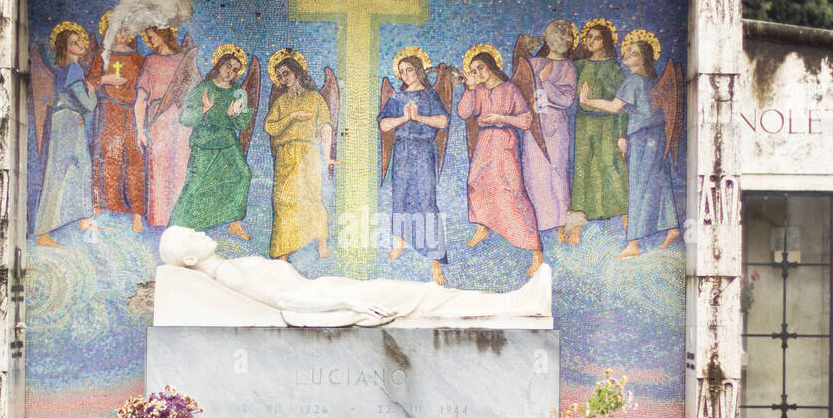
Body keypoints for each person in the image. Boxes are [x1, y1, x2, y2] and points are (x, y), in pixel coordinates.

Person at [159, 226, 552, 328]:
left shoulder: (229, 268)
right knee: (426, 298)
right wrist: (351, 302)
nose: (200, 232)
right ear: (191, 257)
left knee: (424, 297)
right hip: (331, 298)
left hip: (331, 291)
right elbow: (288, 302)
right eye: (191, 237)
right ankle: (517, 304)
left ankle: (516, 303)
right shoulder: (228, 273)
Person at [34, 21, 125, 246]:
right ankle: (43, 233)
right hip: (66, 121)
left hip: (68, 120)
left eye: (81, 40)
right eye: (75, 43)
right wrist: (98, 86)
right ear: (65, 49)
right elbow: (87, 104)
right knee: (59, 171)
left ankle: (84, 217)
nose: (81, 44)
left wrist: (93, 86)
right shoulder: (73, 69)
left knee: (82, 166)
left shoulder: (67, 70)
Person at [590, 35, 681, 257]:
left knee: (638, 186)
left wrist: (587, 100)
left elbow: (614, 107)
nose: (626, 55)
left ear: (643, 59)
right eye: (627, 52)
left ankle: (633, 244)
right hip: (657, 136)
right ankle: (673, 228)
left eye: (633, 53)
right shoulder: (654, 81)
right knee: (659, 181)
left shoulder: (634, 81)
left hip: (642, 137)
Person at [456, 46, 544, 276]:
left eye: (480, 68)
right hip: (485, 143)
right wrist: (470, 88)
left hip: (504, 142)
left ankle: (536, 252)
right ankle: (481, 226)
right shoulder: (479, 91)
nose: (478, 73)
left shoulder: (509, 89)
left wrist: (501, 118)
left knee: (512, 191)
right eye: (474, 70)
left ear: (491, 66)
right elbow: (464, 112)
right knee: (476, 182)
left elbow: (526, 120)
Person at [378, 49, 449, 284]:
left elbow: (443, 121)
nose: (406, 75)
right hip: (402, 152)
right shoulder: (397, 98)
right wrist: (404, 119)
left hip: (423, 151)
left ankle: (435, 260)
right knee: (401, 197)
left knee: (427, 200)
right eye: (402, 72)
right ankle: (400, 240)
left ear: (418, 70)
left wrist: (418, 118)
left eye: (409, 70)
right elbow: (384, 125)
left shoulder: (429, 96)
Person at [171, 47, 253, 239]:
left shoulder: (238, 92)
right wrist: (203, 109)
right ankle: (179, 226)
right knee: (195, 184)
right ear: (219, 66)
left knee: (243, 174)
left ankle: (234, 222)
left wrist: (235, 114)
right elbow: (185, 118)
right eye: (227, 66)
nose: (230, 72)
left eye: (235, 70)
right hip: (205, 140)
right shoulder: (204, 88)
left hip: (227, 141)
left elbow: (241, 124)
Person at [264, 52, 332, 260]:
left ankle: (322, 241)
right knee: (283, 200)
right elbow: (270, 126)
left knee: (311, 196)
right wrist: (291, 117)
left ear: (296, 72)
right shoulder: (282, 102)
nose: (284, 79)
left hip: (308, 152)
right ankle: (283, 252)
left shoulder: (315, 98)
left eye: (286, 73)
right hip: (285, 156)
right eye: (280, 76)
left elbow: (326, 126)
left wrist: (328, 156)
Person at [518, 19, 579, 244]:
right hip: (534, 127)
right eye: (561, 36)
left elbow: (566, 99)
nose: (565, 40)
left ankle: (561, 223)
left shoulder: (569, 68)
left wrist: (544, 83)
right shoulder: (533, 63)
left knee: (557, 173)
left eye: (568, 37)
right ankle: (542, 223)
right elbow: (522, 90)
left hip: (556, 127)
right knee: (535, 175)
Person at [85, 15, 146, 232]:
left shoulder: (139, 59)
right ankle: (102, 204)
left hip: (130, 112)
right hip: (108, 110)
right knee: (107, 156)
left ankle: (137, 213)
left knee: (134, 160)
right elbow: (88, 85)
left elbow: (145, 88)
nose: (122, 35)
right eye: (118, 31)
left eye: (126, 30)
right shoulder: (102, 57)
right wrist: (104, 80)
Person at [569, 20, 628, 244]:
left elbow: (622, 106)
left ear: (606, 41)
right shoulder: (580, 65)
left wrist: (622, 135)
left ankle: (626, 217)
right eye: (588, 37)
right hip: (584, 123)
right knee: (582, 170)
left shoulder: (614, 69)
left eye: (596, 37)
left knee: (611, 165)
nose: (590, 41)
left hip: (608, 124)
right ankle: (576, 227)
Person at [135, 26, 199, 228]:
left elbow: (198, 89)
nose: (150, 40)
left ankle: (180, 219)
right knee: (159, 166)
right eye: (147, 37)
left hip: (182, 118)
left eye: (152, 36)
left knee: (182, 166)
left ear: (163, 34)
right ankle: (161, 220)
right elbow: (141, 98)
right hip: (159, 118)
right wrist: (139, 130)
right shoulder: (151, 61)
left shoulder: (183, 59)